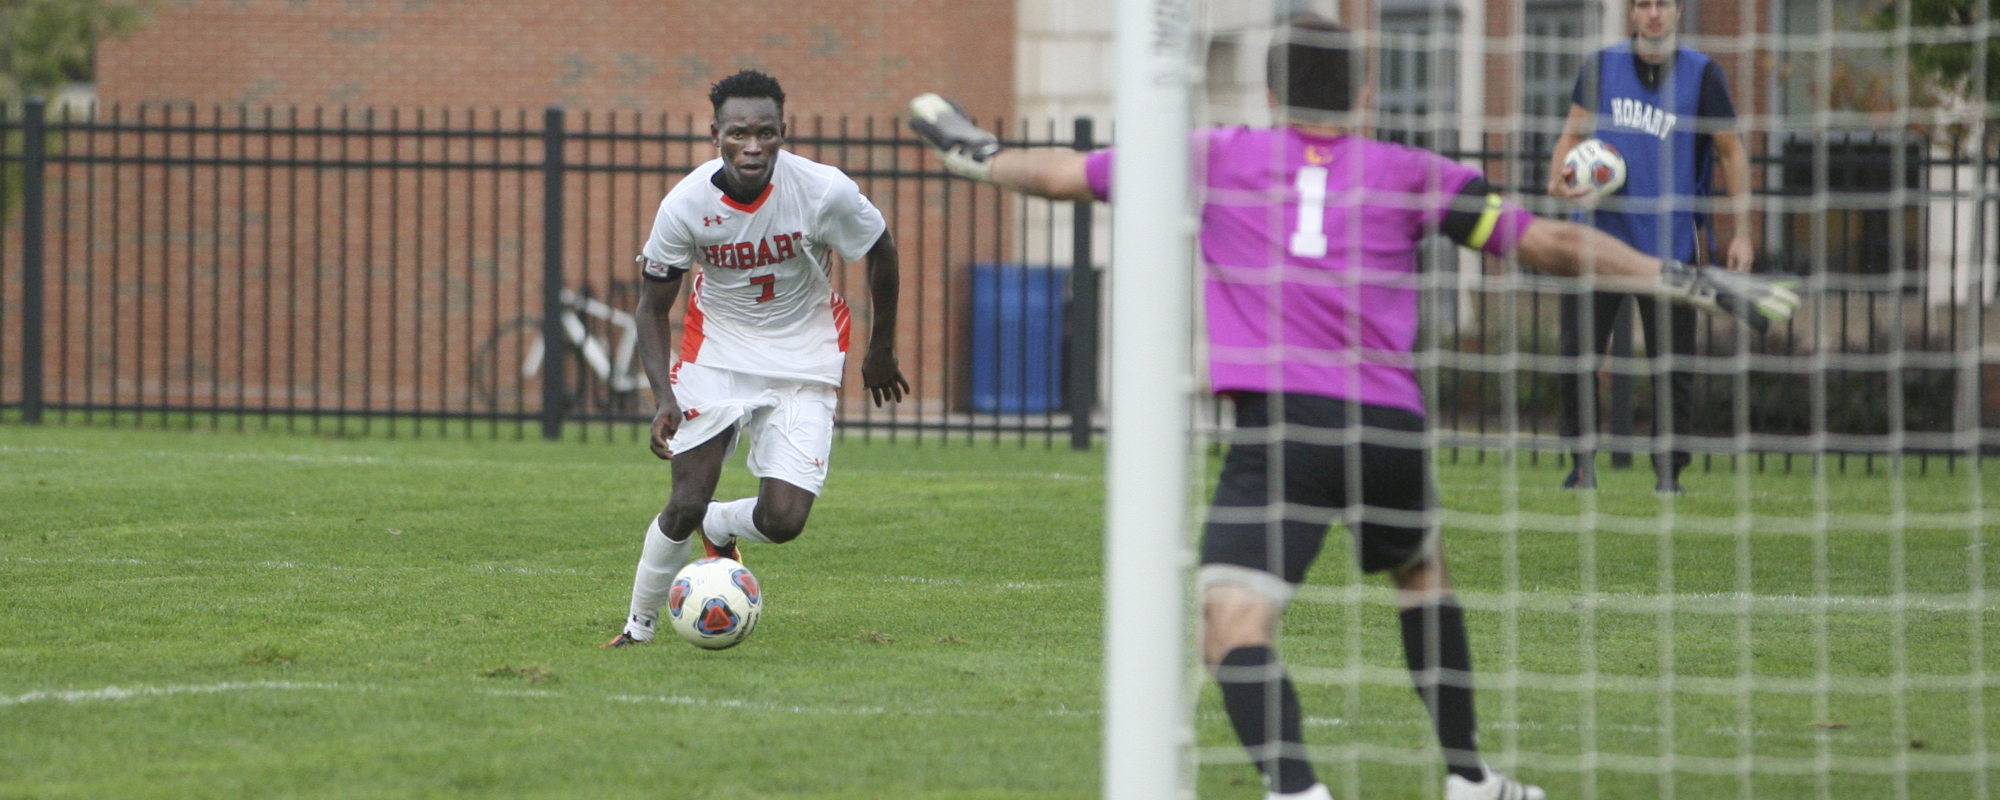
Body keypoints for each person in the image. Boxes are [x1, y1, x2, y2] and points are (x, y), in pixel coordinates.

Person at [909, 14, 1795, 800]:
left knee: (1232, 626)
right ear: (1365, 92)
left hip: (1282, 433)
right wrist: (1685, 279)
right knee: (1420, 578)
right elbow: (1549, 242)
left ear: (1271, 94)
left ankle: (1298, 789)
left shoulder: (1216, 156)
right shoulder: (1409, 171)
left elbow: (1063, 173)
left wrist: (976, 153)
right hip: (1388, 431)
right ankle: (1469, 776)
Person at [604, 70, 909, 648]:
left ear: (782, 133)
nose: (752, 146)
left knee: (783, 521)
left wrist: (881, 347)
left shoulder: (822, 190)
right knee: (685, 500)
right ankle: (637, 628)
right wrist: (663, 397)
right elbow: (651, 307)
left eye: (765, 133)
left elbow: (882, 251)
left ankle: (722, 523)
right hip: (717, 353)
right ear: (715, 134)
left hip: (805, 357)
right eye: (738, 133)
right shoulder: (685, 205)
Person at [1545, 0, 1756, 493]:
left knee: (1672, 367)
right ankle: (1581, 466)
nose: (1653, 13)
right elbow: (1570, 137)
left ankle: (1668, 474)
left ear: (1679, 11)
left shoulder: (1703, 75)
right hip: (1598, 238)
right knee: (1576, 356)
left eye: (1663, 3)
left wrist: (1743, 233)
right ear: (1632, 13)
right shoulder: (1602, 67)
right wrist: (1558, 180)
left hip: (1669, 243)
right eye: (1644, 4)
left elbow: (1731, 153)